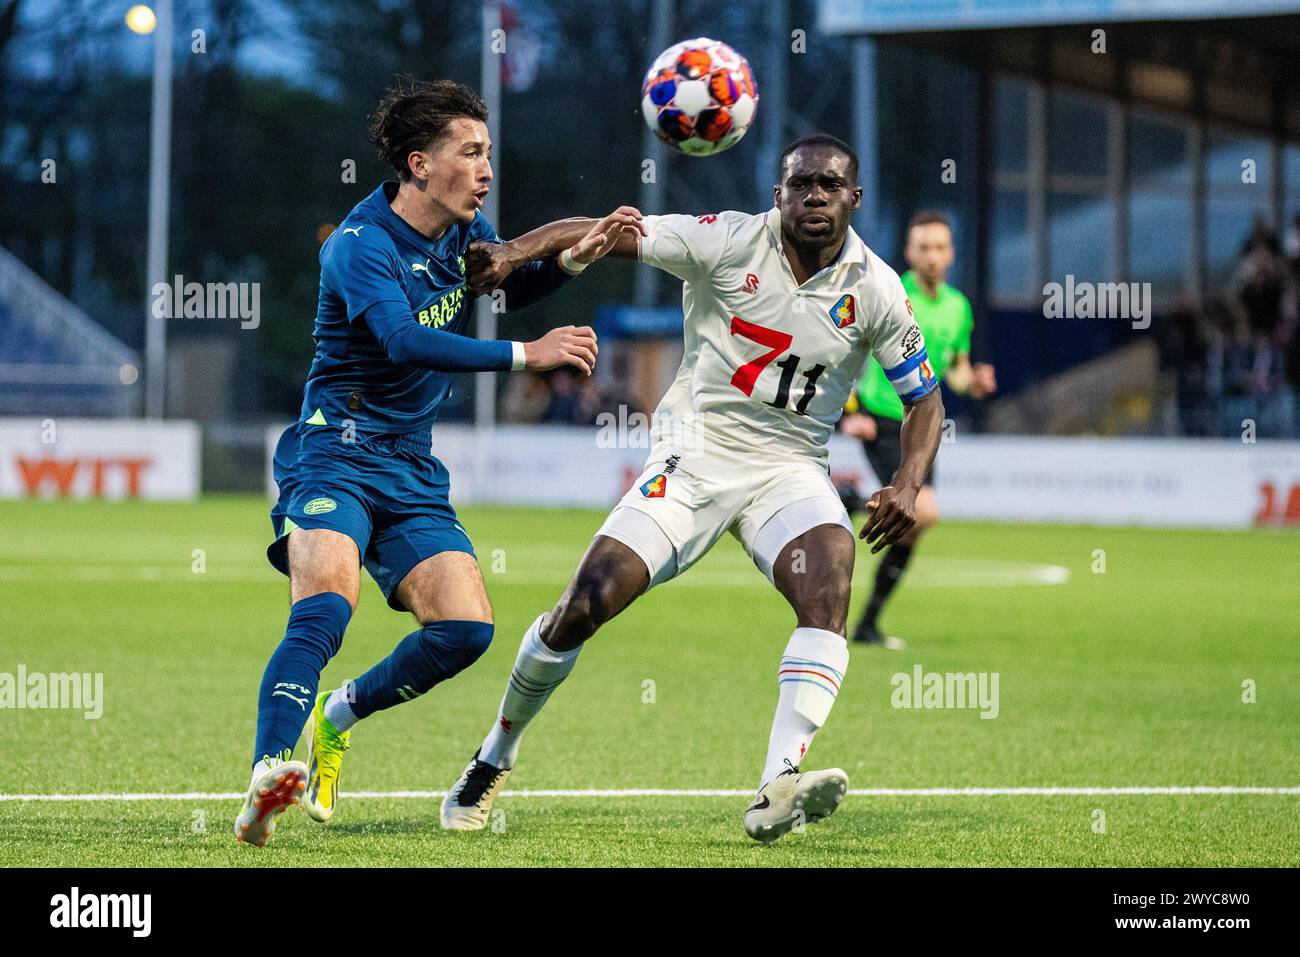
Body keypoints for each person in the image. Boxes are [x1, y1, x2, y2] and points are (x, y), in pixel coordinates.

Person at [441, 134, 945, 844]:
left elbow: (926, 401)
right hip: (695, 455)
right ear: (778, 193)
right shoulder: (727, 241)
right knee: (585, 605)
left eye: (829, 185)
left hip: (790, 469)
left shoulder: (878, 289)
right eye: (799, 184)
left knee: (830, 577)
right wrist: (514, 252)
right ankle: (494, 754)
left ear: (854, 199)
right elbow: (600, 231)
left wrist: (907, 479)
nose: (813, 196)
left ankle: (777, 785)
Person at [234, 77, 644, 847]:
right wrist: (532, 356)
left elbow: (504, 285)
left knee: (465, 630)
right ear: (420, 163)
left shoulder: (463, 229)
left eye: (489, 153)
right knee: (326, 603)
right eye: (473, 153)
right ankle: (266, 774)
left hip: (410, 467)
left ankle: (339, 713)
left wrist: (572, 263)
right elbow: (403, 340)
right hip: (335, 452)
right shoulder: (359, 245)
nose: (487, 169)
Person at [839, 210, 996, 648]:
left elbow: (955, 373)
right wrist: (849, 410)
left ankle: (868, 623)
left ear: (951, 254)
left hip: (924, 425)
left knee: (913, 524)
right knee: (923, 511)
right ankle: (847, 500)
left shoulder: (957, 307)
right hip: (884, 419)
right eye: (923, 247)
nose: (932, 255)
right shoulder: (889, 292)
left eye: (940, 247)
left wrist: (975, 383)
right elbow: (845, 350)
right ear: (909, 252)